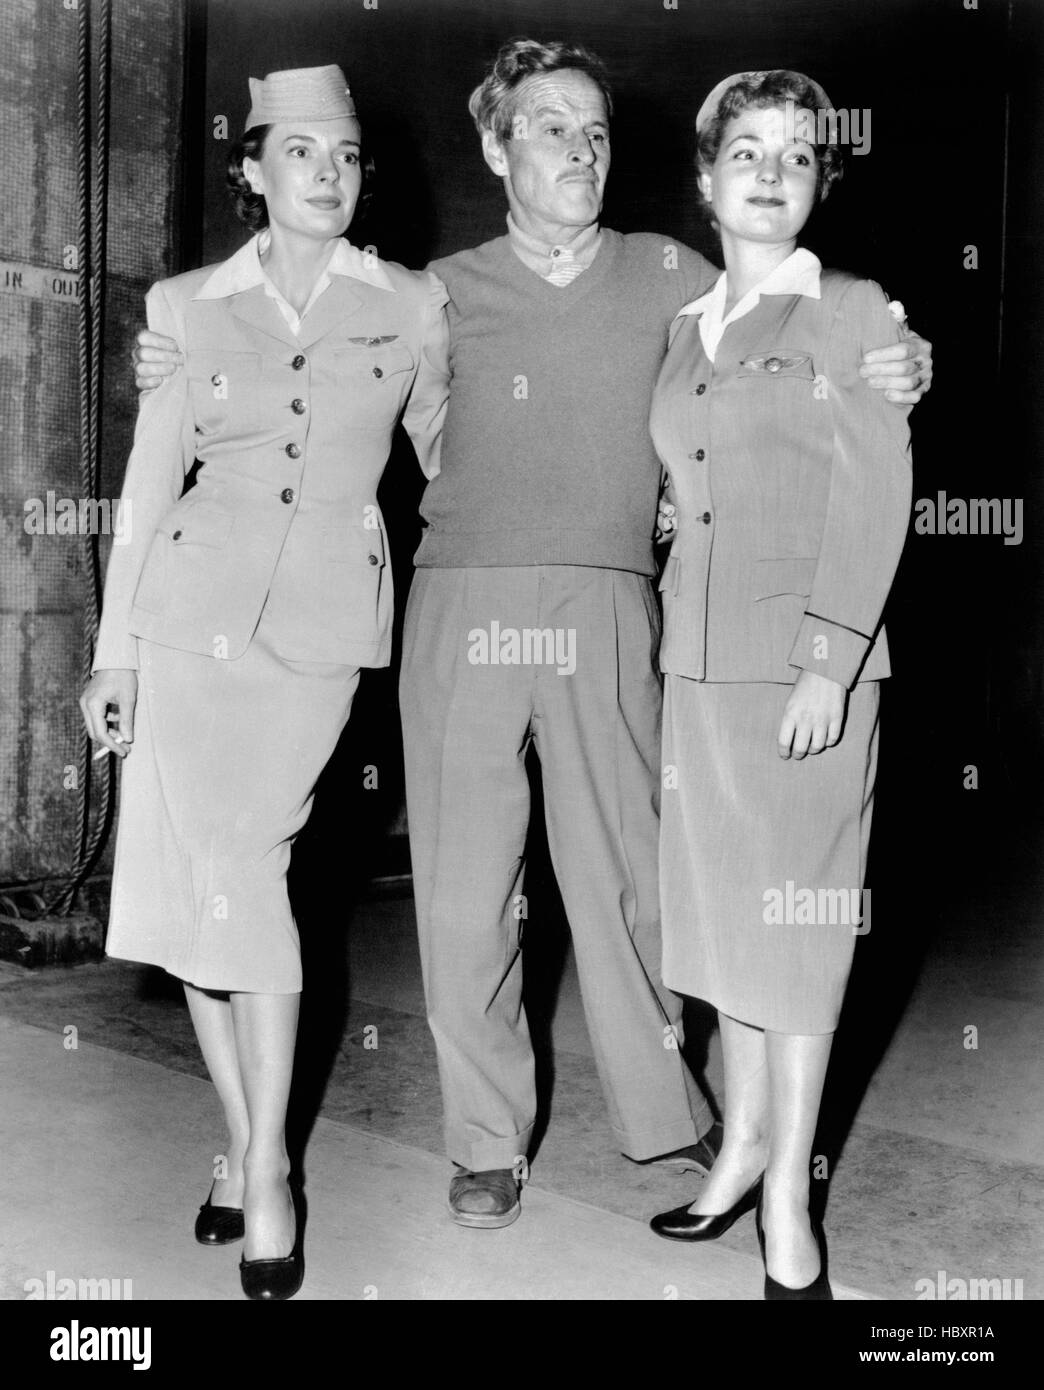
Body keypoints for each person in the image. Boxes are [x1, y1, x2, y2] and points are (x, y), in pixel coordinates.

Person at [132, 39, 931, 1234]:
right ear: (498, 148)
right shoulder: (434, 292)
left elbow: (786, 326)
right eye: (552, 126)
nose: (581, 148)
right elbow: (298, 335)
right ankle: (485, 1140)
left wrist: (897, 359)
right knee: (466, 891)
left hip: (614, 603)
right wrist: (172, 349)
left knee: (632, 882)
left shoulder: (672, 272)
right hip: (462, 602)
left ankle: (672, 1113)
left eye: (598, 130)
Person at [80, 65, 448, 1300]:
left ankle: (269, 1167)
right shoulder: (184, 308)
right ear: (253, 170)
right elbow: (143, 491)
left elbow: (454, 453)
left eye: (346, 156)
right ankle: (252, 1150)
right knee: (198, 893)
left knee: (251, 871)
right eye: (302, 154)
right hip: (186, 627)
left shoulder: (411, 304)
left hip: (315, 640)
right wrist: (113, 650)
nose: (329, 175)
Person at [647, 70, 914, 1300]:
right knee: (727, 933)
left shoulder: (857, 312)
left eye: (797, 156)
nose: (769, 171)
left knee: (798, 946)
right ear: (705, 181)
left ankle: (789, 1206)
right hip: (696, 674)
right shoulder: (685, 327)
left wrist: (829, 659)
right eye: (744, 151)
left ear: (818, 184)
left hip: (807, 675)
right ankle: (741, 1149)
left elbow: (875, 500)